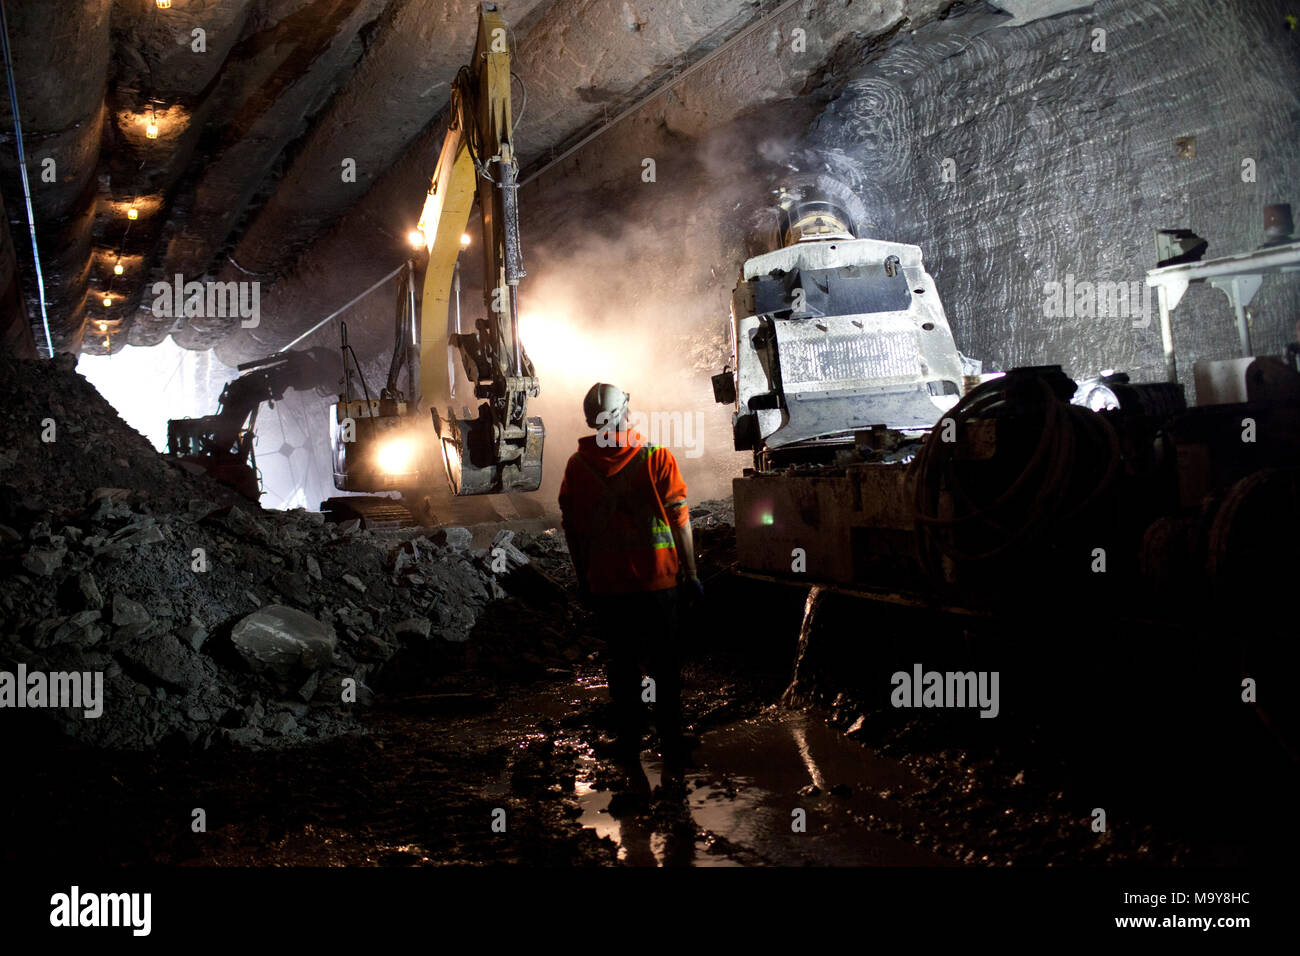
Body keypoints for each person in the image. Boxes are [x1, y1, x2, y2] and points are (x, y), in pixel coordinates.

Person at [558, 383, 703, 773]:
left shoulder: (578, 465)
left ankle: (629, 741)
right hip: (658, 583)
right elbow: (680, 521)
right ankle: (671, 739)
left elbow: (572, 529)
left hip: (608, 586)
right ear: (626, 411)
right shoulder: (657, 458)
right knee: (664, 663)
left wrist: (583, 577)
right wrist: (691, 572)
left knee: (622, 665)